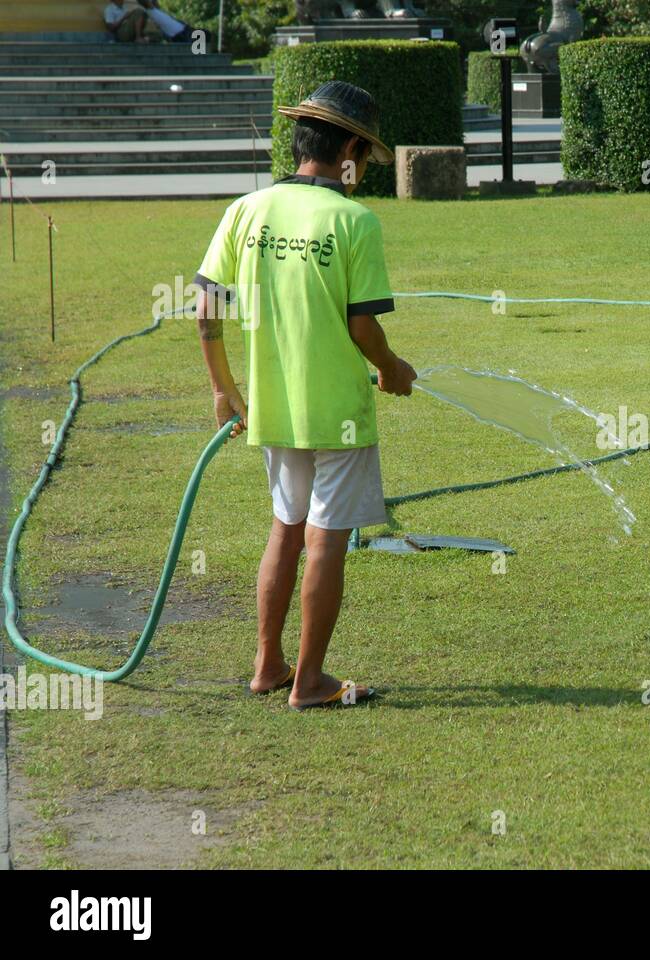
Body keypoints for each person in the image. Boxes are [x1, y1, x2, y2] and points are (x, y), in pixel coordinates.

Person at [192, 80, 417, 710]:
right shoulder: (354, 220)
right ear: (347, 149)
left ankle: (268, 665)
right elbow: (361, 325)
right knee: (325, 539)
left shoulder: (247, 210)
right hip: (337, 415)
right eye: (366, 156)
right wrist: (394, 369)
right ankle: (311, 682)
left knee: (286, 530)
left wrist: (223, 389)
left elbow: (206, 308)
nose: (365, 169)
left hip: (273, 408)